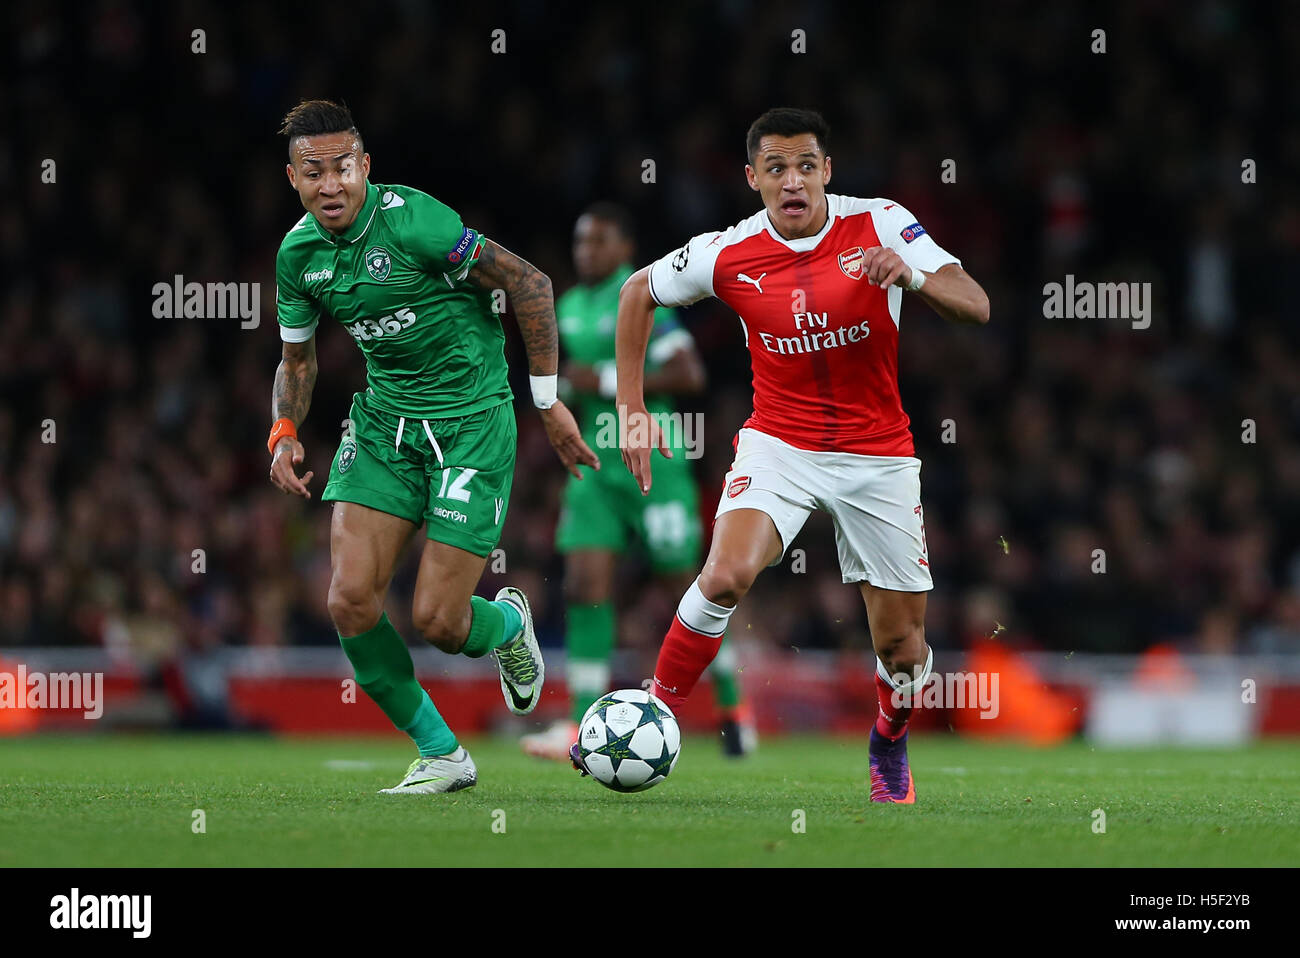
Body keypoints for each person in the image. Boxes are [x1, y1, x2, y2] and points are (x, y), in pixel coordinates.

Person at [583, 107, 989, 804]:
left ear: (828, 171)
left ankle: (889, 736)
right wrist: (631, 407)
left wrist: (914, 278)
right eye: (776, 169)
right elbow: (635, 293)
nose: (793, 181)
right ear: (753, 179)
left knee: (902, 649)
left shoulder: (881, 223)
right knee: (724, 575)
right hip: (780, 443)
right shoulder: (728, 252)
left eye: (806, 166)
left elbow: (975, 304)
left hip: (878, 454)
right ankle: (655, 710)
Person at [268, 99, 598, 794]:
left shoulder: (417, 223)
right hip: (386, 428)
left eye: (342, 168)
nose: (330, 185)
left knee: (439, 623)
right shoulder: (298, 256)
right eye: (312, 172)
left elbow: (528, 284)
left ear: (365, 167)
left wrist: (548, 403)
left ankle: (506, 625)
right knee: (349, 600)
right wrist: (284, 432)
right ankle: (442, 753)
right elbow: (297, 363)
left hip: (471, 425)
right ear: (293, 179)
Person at [520, 204, 755, 761]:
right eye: (580, 243)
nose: (586, 253)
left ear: (625, 249)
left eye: (599, 242)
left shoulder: (648, 299)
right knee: (584, 586)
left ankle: (732, 707)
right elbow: (566, 390)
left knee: (691, 591)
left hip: (656, 465)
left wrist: (601, 378)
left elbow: (689, 373)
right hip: (595, 471)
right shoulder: (569, 308)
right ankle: (580, 724)